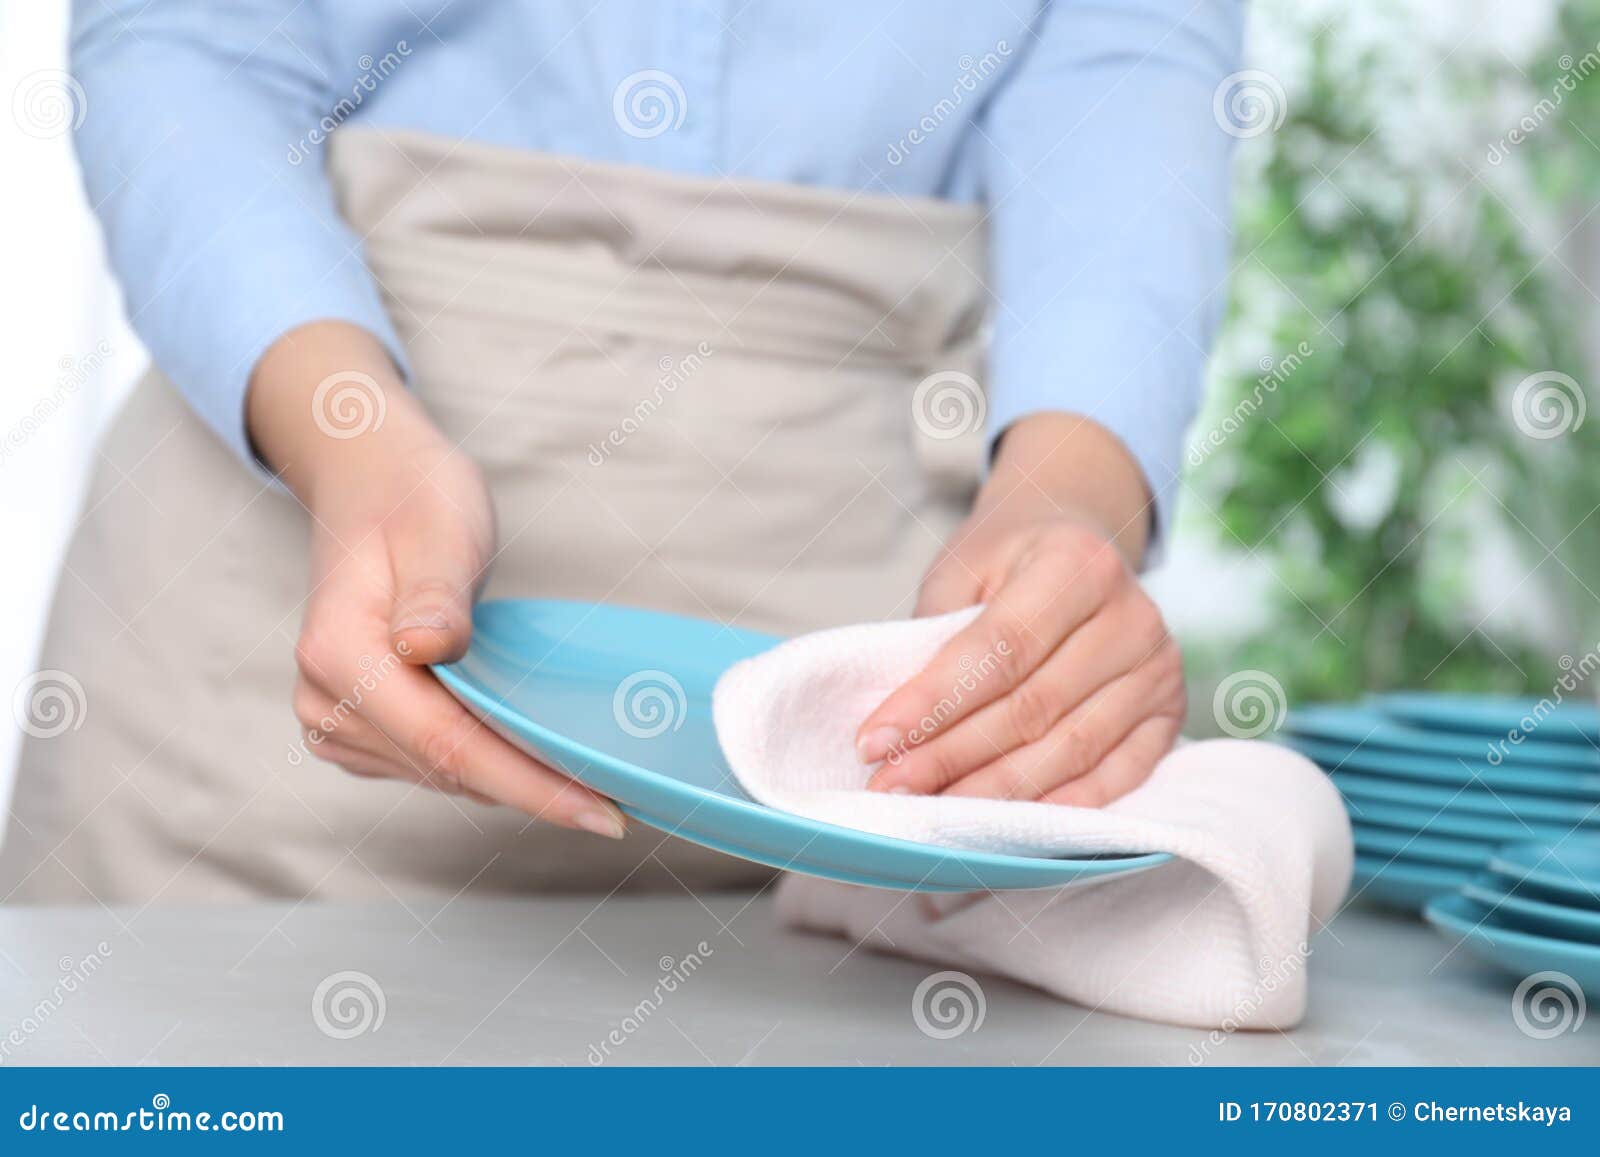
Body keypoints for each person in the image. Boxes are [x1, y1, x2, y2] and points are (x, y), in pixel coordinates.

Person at [2, 0, 1238, 905]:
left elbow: (1125, 87)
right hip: (271, 630)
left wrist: (1063, 505)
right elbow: (188, 44)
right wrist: (355, 445)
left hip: (843, 761)